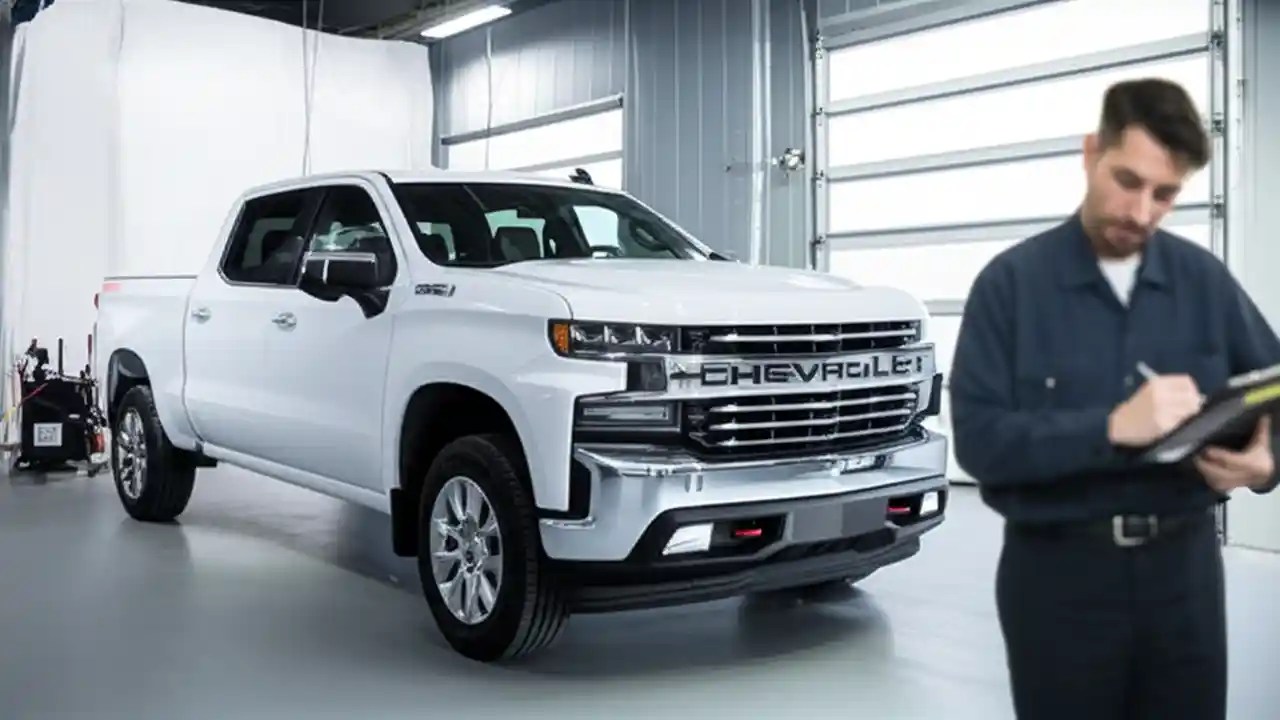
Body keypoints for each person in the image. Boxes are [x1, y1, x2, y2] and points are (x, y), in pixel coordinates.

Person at [949, 77, 1280, 720]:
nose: (1142, 213)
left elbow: (1277, 388)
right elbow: (981, 443)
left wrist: (1268, 466)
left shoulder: (1204, 283)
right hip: (1058, 584)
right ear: (1090, 151)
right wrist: (1110, 428)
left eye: (1166, 194)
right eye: (1127, 181)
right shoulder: (1009, 287)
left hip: (1185, 579)